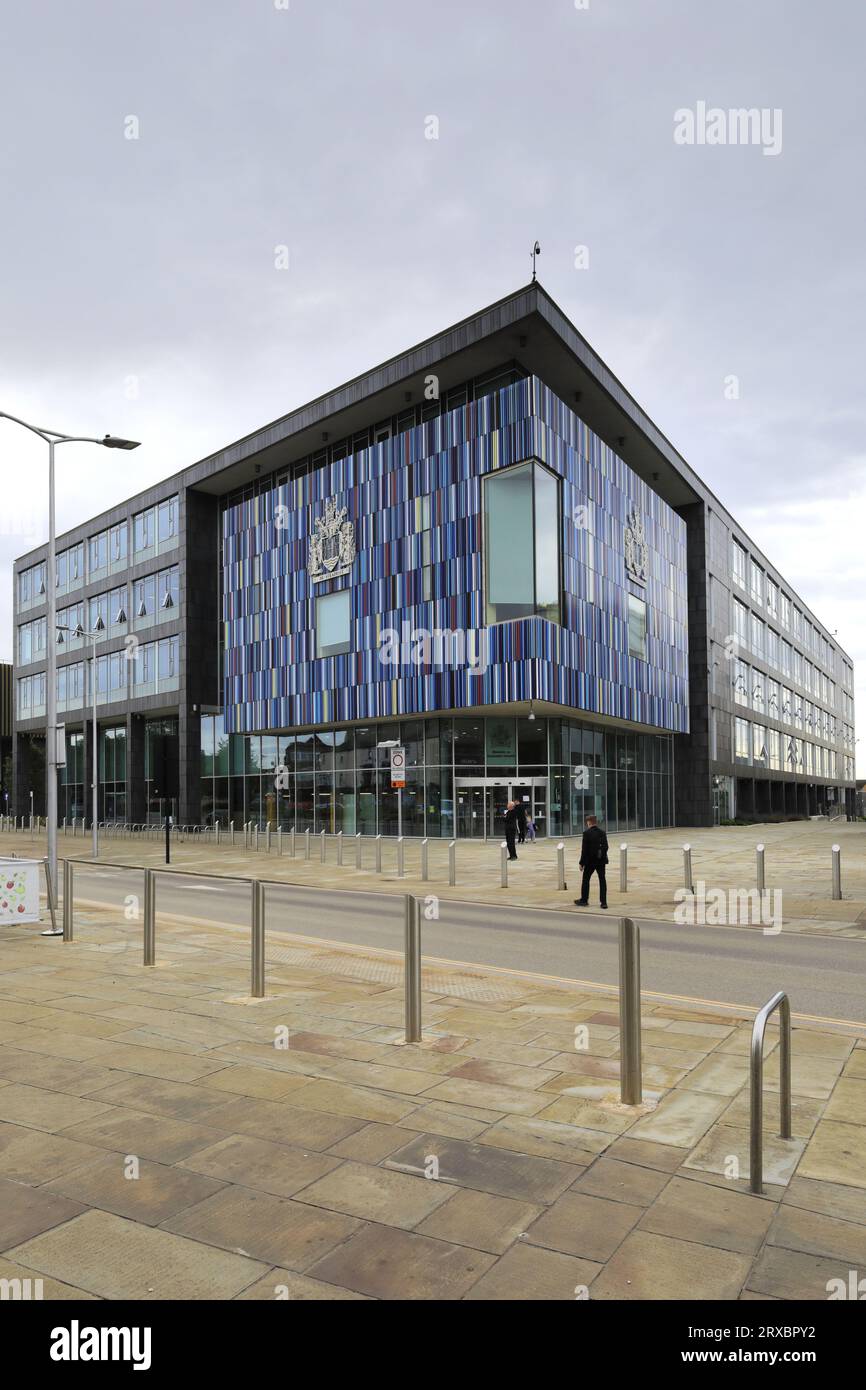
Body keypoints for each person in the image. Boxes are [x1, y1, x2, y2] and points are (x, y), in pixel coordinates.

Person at [574, 814, 609, 909]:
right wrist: (601, 855)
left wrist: (581, 863)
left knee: (586, 879)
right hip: (601, 861)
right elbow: (606, 847)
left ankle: (584, 900)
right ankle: (604, 902)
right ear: (595, 822)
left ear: (589, 822)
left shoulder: (587, 833)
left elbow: (584, 850)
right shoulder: (602, 832)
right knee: (602, 880)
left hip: (590, 861)